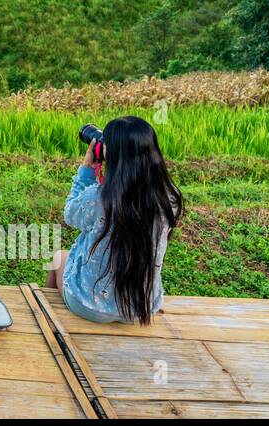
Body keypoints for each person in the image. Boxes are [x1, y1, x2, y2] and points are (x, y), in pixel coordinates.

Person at [44, 116, 184, 325]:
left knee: (58, 258)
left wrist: (86, 172)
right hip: (139, 308)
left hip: (88, 305)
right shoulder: (169, 198)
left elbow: (70, 214)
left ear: (112, 153)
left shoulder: (100, 197)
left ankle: (47, 317)